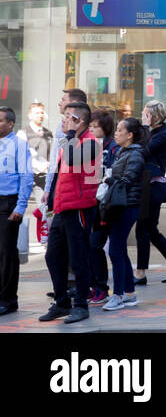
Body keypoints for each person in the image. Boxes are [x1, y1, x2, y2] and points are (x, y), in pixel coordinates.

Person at [39, 101, 99, 324]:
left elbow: (74, 159)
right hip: (63, 207)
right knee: (53, 256)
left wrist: (71, 133)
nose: (63, 121)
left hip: (80, 209)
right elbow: (60, 172)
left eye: (68, 117)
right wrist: (51, 197)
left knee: (78, 258)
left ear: (79, 121)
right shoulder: (69, 141)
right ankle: (62, 302)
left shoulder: (91, 143)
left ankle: (81, 304)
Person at [135, 100, 166, 286]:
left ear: (154, 118)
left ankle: (140, 273)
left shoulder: (161, 135)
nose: (142, 116)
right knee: (149, 229)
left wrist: (145, 129)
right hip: (147, 185)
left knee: (143, 229)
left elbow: (142, 152)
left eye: (145, 114)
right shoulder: (152, 133)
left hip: (153, 186)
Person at [101, 117, 147, 312]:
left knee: (115, 251)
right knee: (119, 250)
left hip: (127, 206)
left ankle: (118, 294)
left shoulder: (136, 154)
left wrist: (109, 179)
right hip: (119, 205)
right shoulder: (123, 151)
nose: (116, 133)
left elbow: (129, 178)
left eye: (120, 130)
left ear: (130, 135)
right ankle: (129, 293)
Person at [0, 106, 35, 317]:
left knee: (6, 253)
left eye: (0, 120)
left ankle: (8, 300)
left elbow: (26, 176)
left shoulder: (19, 145)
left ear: (10, 124)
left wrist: (20, 206)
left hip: (8, 203)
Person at [85, 109, 117, 305]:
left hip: (106, 204)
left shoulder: (113, 148)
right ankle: (94, 286)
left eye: (95, 126)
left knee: (96, 244)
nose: (92, 129)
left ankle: (102, 288)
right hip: (91, 201)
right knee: (89, 245)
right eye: (91, 126)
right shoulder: (90, 145)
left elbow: (111, 175)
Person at [21, 103, 52, 206]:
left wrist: (48, 165)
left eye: (42, 112)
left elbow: (51, 154)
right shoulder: (22, 133)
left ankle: (46, 221)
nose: (40, 115)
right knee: (17, 208)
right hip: (25, 177)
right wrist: (38, 166)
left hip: (42, 178)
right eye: (37, 113)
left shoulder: (48, 133)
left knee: (45, 207)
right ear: (29, 115)